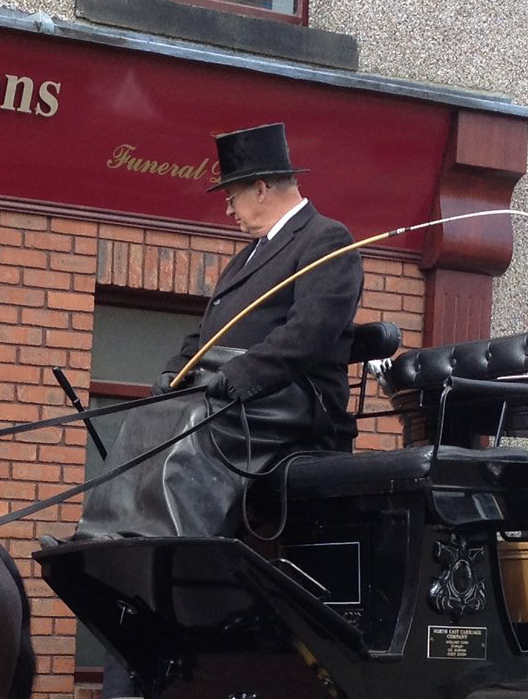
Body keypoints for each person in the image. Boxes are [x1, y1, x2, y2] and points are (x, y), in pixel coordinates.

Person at [77, 122, 363, 540]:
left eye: (232, 197)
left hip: (292, 400)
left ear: (261, 188)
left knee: (197, 420)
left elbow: (309, 334)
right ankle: (107, 533)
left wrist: (240, 377)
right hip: (236, 395)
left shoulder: (327, 239)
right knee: (151, 414)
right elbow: (208, 332)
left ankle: (170, 543)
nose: (229, 210)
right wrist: (175, 371)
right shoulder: (245, 259)